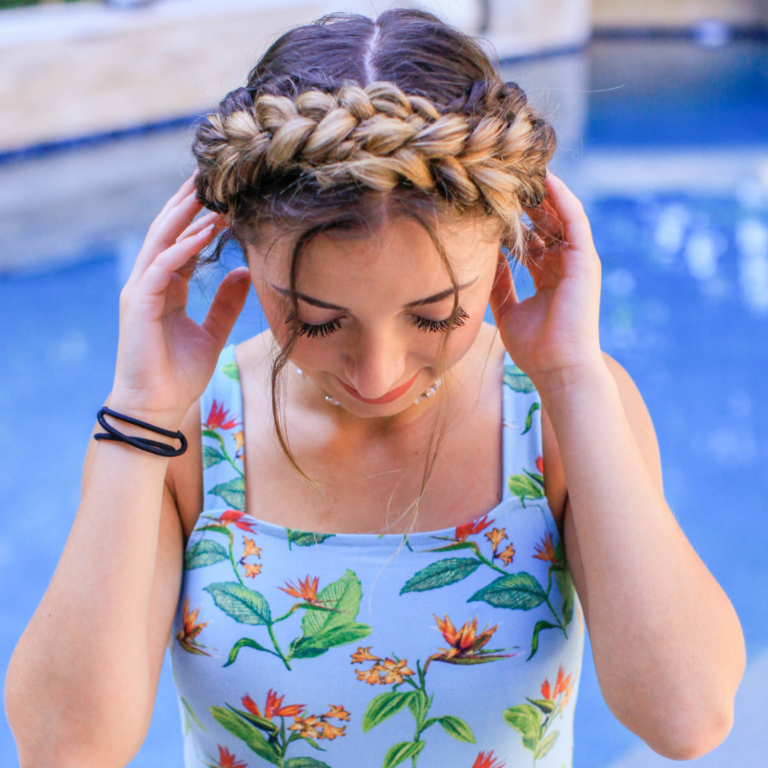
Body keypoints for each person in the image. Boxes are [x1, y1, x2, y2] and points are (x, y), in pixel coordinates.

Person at [6, 9, 745, 768]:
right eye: (319, 322)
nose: (378, 374)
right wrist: (139, 414)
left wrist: (573, 377)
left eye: (435, 314)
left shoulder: (557, 413)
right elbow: (64, 750)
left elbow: (686, 717)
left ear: (514, 242)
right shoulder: (182, 429)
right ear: (237, 247)